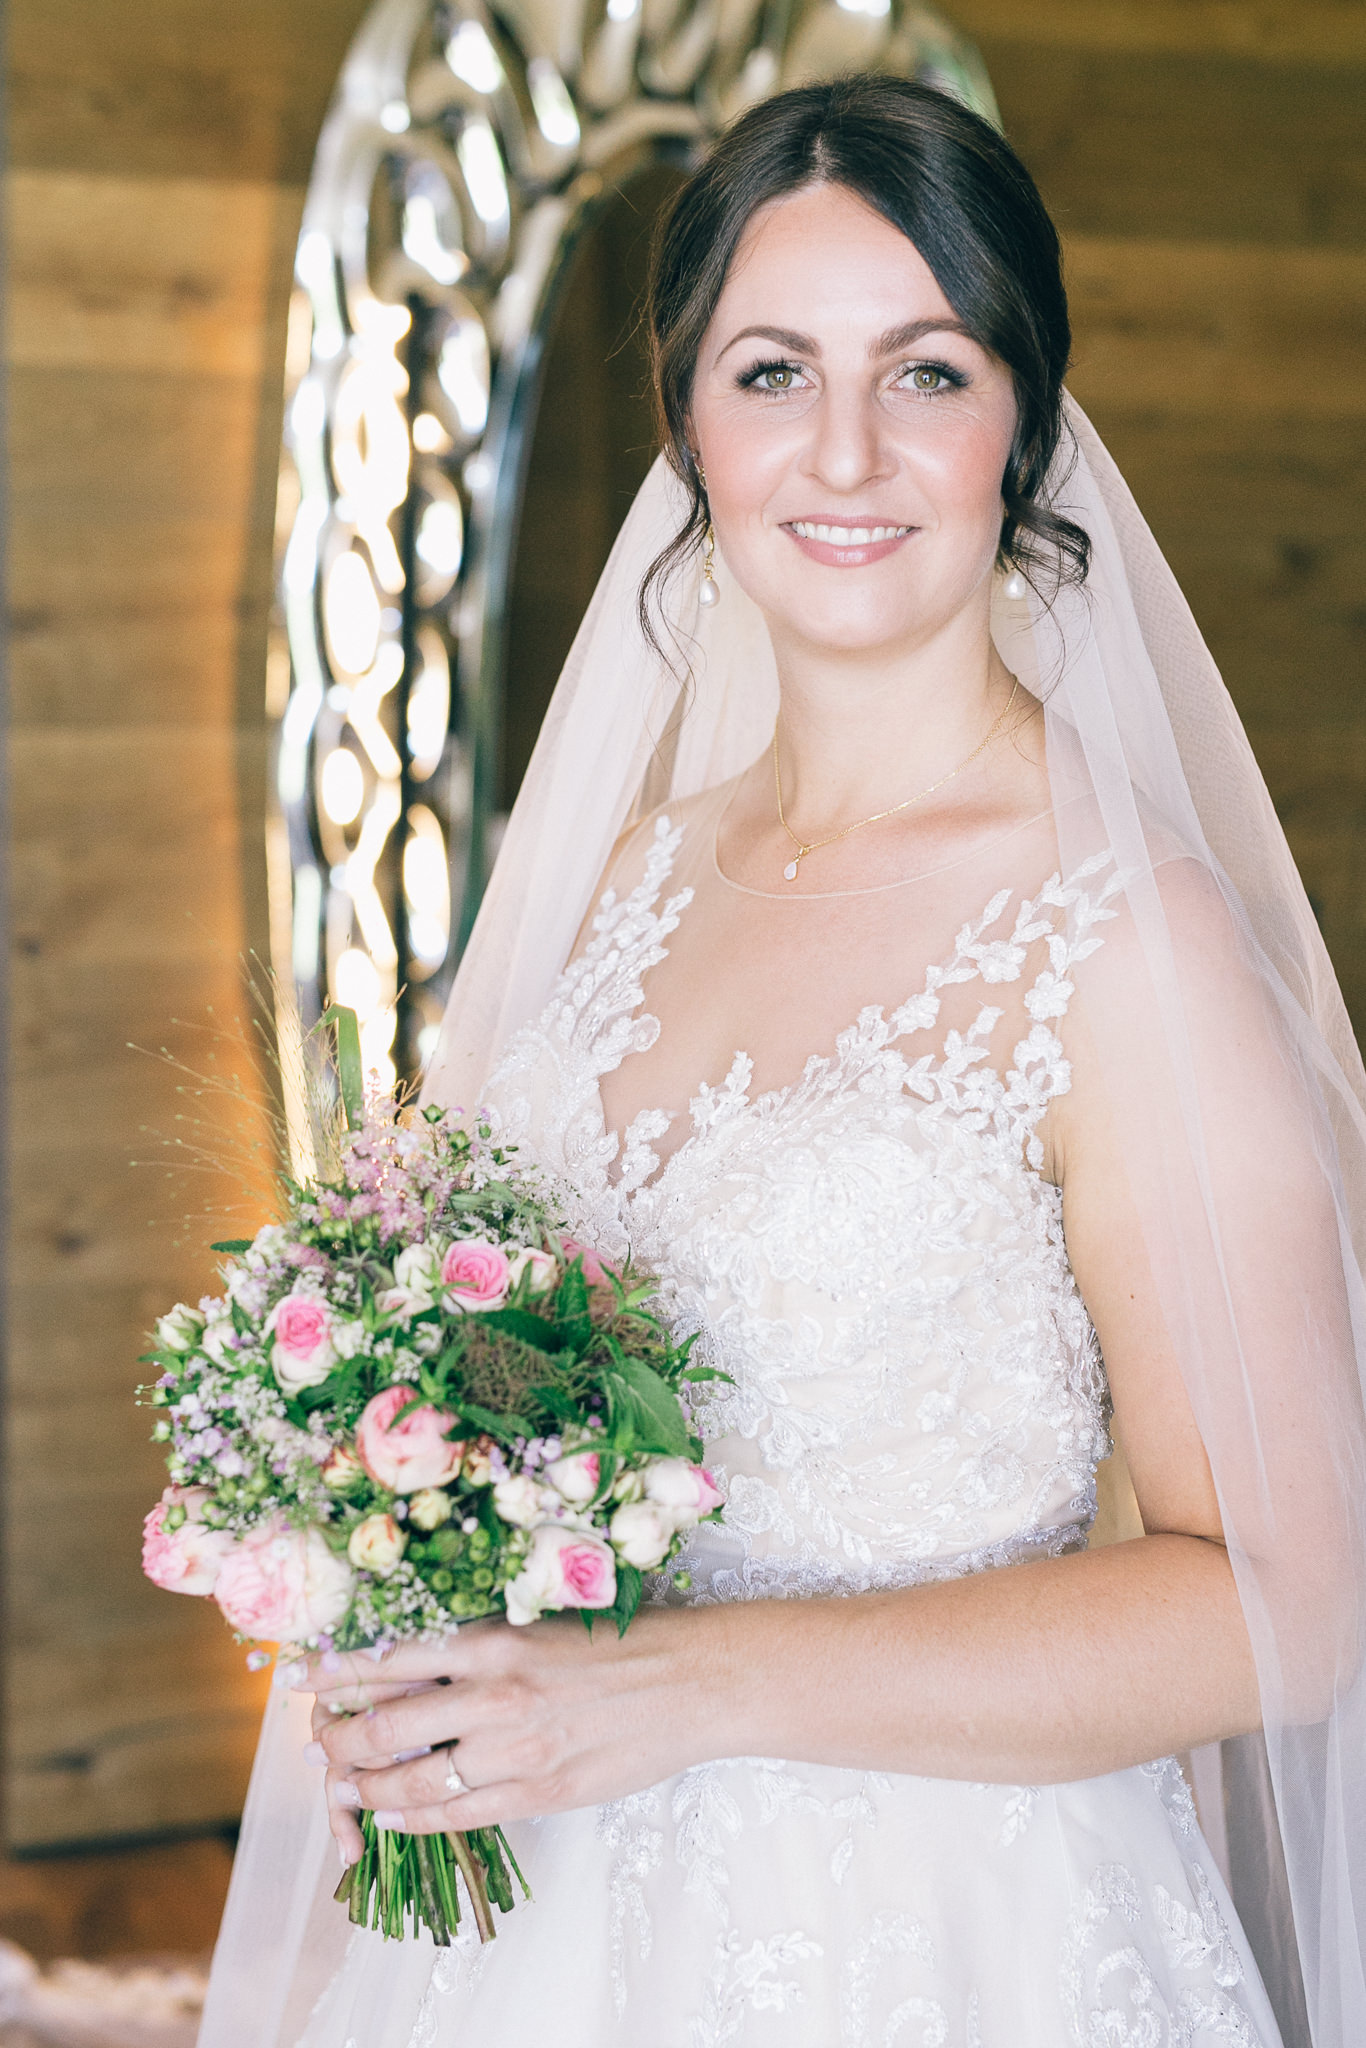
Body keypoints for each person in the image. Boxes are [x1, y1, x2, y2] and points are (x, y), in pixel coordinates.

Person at [199, 76, 1366, 2048]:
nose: (843, 449)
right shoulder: (626, 876)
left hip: (927, 1938)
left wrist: (685, 1688)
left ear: (1022, 422)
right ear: (685, 426)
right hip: (526, 1925)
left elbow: (1283, 1599)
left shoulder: (1118, 933)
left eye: (922, 371)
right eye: (769, 370)